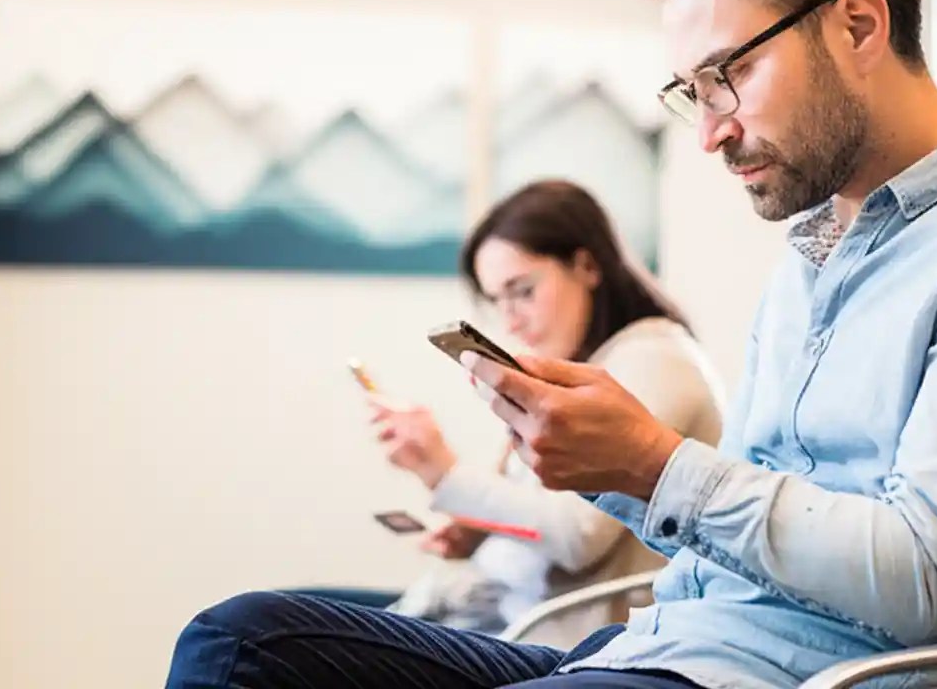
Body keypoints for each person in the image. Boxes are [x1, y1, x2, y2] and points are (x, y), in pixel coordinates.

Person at [165, 0, 937, 687]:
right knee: (240, 643)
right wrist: (610, 463)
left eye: (729, 75)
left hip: (779, 677)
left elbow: (920, 577)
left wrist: (650, 464)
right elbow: (727, 527)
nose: (710, 128)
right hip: (658, 648)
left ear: (857, 22)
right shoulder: (812, 259)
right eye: (692, 92)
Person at [291, 179, 727, 647]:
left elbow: (577, 537)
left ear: (586, 265)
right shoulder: (591, 365)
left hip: (546, 637)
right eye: (497, 300)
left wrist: (444, 473)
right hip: (495, 612)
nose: (510, 319)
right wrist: (480, 531)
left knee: (257, 628)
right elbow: (550, 512)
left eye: (522, 291)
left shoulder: (655, 360)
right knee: (275, 616)